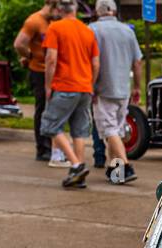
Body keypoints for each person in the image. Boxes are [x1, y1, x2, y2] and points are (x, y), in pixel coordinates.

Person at [41, 0, 100, 188]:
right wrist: (90, 83)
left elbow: (51, 59)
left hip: (65, 86)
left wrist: (48, 86)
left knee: (50, 126)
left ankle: (76, 164)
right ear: (75, 9)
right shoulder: (88, 31)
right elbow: (96, 63)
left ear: (59, 9)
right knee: (79, 131)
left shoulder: (55, 28)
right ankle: (79, 172)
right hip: (84, 88)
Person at [89, 0, 142, 184]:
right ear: (114, 11)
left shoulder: (92, 30)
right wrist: (137, 87)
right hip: (123, 89)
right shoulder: (128, 30)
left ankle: (125, 167)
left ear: (98, 12)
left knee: (109, 130)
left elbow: (92, 62)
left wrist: (91, 85)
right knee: (117, 131)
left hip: (103, 89)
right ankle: (115, 172)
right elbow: (137, 62)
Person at [13, 0, 61, 162]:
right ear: (50, 4)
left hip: (54, 71)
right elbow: (19, 44)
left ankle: (52, 145)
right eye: (57, 9)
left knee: (54, 109)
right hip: (39, 71)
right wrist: (29, 56)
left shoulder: (55, 22)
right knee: (42, 109)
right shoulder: (34, 21)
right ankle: (42, 148)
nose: (59, 13)